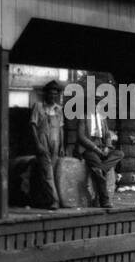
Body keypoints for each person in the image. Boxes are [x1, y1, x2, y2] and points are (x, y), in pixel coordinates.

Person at [69, 89, 123, 209]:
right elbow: (81, 137)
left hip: (102, 147)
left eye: (98, 103)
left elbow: (107, 135)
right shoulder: (83, 117)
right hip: (88, 149)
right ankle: (104, 201)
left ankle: (101, 168)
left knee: (119, 153)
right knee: (98, 170)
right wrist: (96, 149)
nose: (96, 105)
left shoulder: (102, 117)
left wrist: (108, 147)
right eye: (93, 103)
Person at [29, 79, 64, 209]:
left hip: (56, 142)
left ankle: (46, 199)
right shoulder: (38, 106)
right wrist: (37, 143)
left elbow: (61, 128)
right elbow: (33, 126)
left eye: (55, 94)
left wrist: (62, 146)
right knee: (47, 173)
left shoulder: (59, 109)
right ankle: (55, 201)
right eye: (50, 93)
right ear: (46, 94)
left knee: (52, 172)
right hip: (43, 140)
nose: (53, 96)